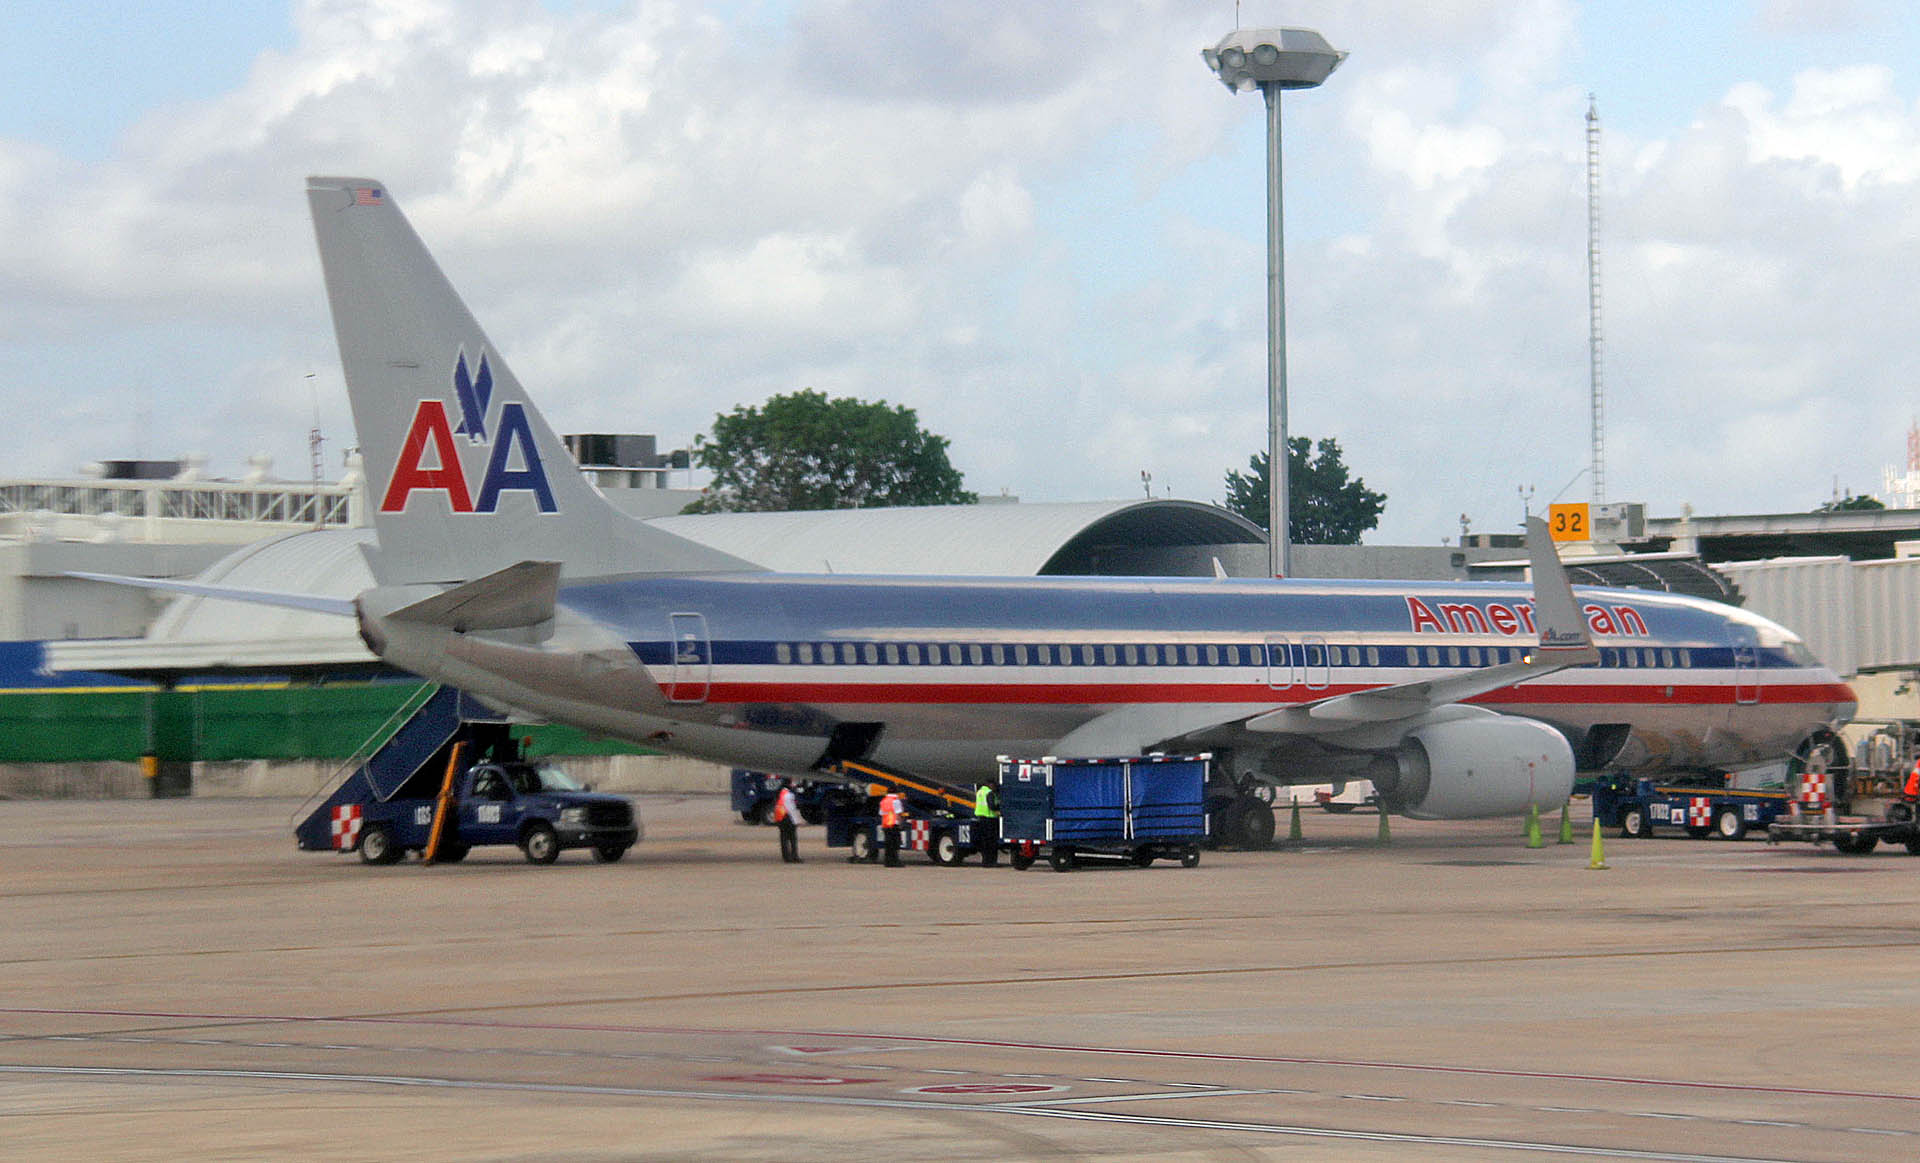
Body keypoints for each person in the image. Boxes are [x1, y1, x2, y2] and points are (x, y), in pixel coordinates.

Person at [772, 779, 802, 863]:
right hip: (788, 818)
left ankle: (786, 857)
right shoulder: (788, 794)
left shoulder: (780, 792)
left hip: (780, 818)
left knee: (784, 839)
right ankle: (794, 857)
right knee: (792, 839)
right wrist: (797, 820)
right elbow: (791, 809)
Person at [973, 781, 1000, 866]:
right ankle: (992, 861)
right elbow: (991, 806)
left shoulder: (980, 792)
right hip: (990, 819)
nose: (995, 788)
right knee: (991, 842)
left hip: (981, 819)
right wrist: (999, 806)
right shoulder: (989, 793)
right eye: (994, 786)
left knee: (984, 842)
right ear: (990, 785)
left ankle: (985, 861)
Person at [878, 788, 905, 867]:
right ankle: (895, 861)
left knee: (888, 844)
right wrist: (900, 824)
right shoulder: (896, 801)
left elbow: (881, 814)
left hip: (886, 825)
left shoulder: (883, 801)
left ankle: (887, 862)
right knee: (895, 844)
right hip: (894, 824)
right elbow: (898, 814)